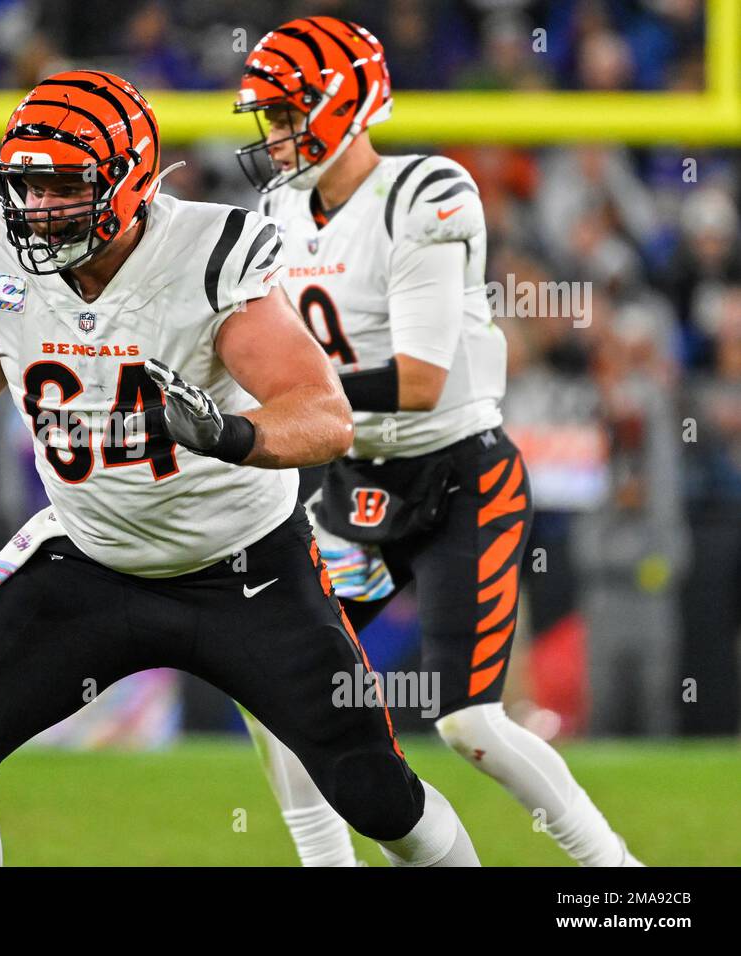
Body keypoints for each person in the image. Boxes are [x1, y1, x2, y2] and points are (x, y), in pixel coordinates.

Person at [0, 71, 479, 867]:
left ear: (129, 181)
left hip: (242, 568)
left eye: (64, 185)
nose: (38, 207)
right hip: (93, 558)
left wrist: (229, 434)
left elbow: (324, 415)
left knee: (377, 796)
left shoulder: (203, 253)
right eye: (26, 184)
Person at [230, 16, 641, 866]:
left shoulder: (425, 193)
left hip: (459, 478)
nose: (272, 134)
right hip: (353, 484)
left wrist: (270, 408)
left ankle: (617, 877)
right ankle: (326, 861)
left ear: (345, 102)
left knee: (469, 724)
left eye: (286, 111)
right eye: (266, 114)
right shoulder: (276, 208)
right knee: (272, 680)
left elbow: (419, 381)